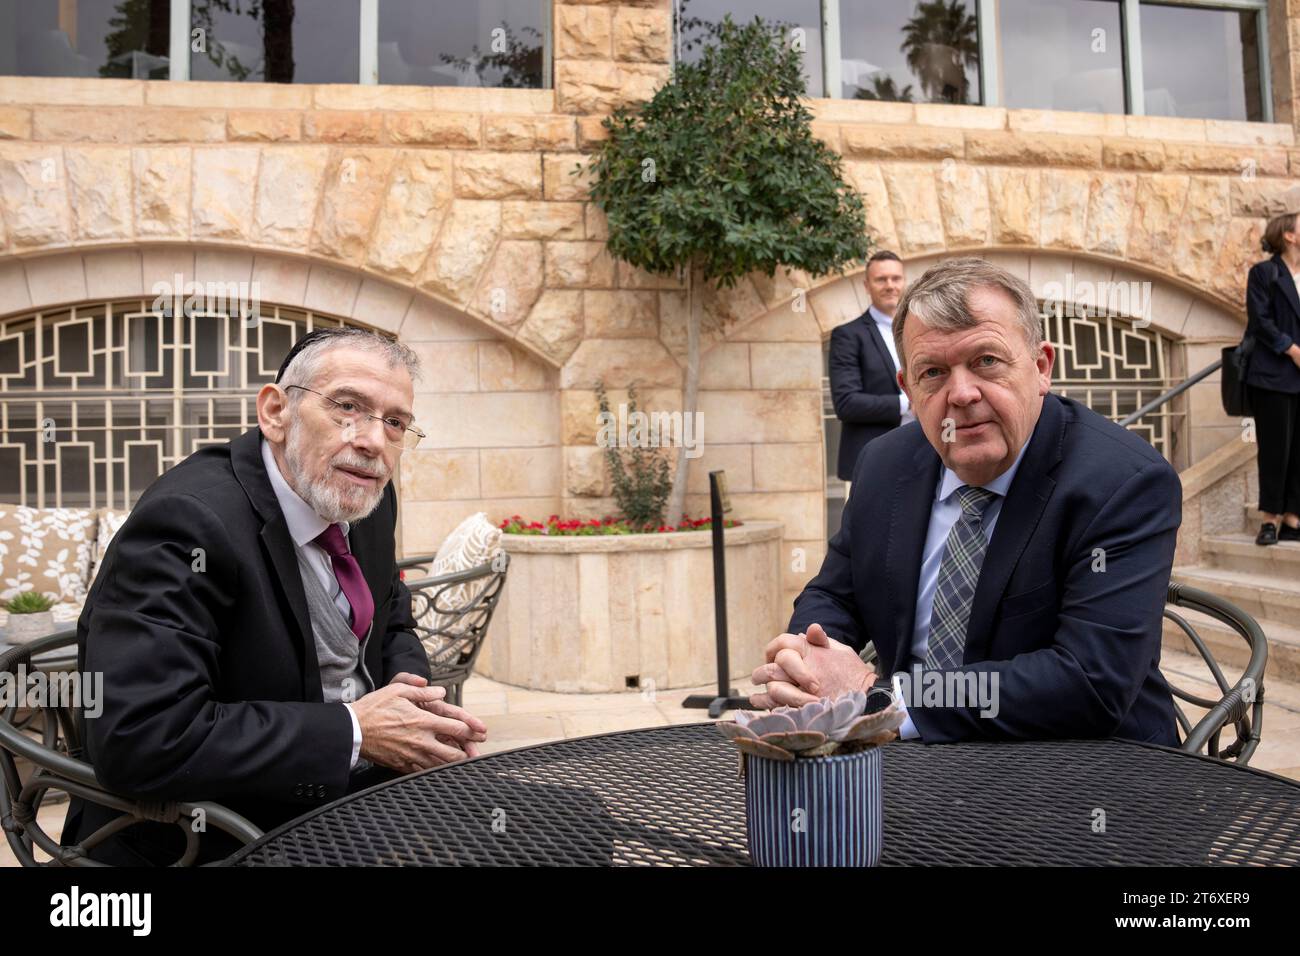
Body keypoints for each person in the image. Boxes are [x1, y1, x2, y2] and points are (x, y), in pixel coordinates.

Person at [61, 327, 488, 864]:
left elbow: (392, 612)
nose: (374, 441)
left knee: (572, 820)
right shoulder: (188, 521)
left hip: (357, 793)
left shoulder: (363, 492)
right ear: (275, 412)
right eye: (348, 406)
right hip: (218, 828)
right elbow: (142, 738)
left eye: (395, 422)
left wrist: (408, 687)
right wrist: (357, 731)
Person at [750, 257, 1181, 745]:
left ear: (1041, 367)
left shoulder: (1124, 483)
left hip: (1081, 770)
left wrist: (880, 698)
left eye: (986, 361)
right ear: (909, 390)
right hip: (908, 761)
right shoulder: (884, 465)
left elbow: (1090, 681)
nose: (961, 393)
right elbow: (833, 593)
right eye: (933, 372)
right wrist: (809, 660)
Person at [828, 250, 915, 484]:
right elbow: (846, 403)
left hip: (922, 455)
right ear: (867, 286)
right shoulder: (847, 336)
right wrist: (909, 402)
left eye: (896, 278)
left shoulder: (921, 332)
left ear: (904, 282)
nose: (890, 285)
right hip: (873, 461)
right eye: (881, 279)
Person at [1244, 211, 1300, 546]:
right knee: (1275, 449)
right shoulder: (1264, 273)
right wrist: (1292, 351)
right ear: (1289, 236)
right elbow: (1259, 321)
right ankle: (1270, 519)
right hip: (1273, 376)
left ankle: (1294, 518)